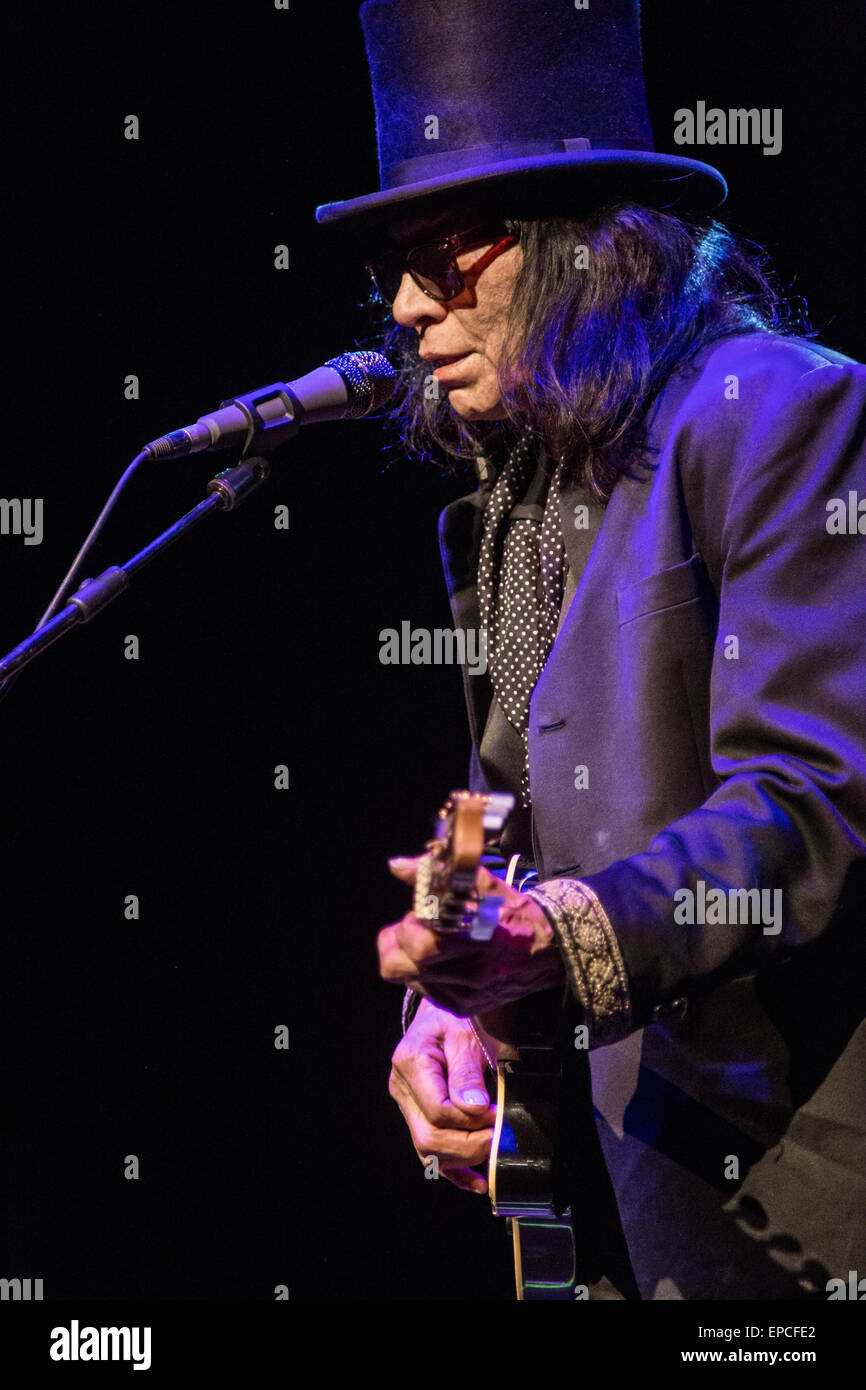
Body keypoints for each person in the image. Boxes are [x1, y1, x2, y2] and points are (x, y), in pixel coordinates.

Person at [316, 0, 866, 1299]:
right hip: (629, 1198)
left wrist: (552, 940)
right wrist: (455, 1000)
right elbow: (513, 817)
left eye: (448, 258)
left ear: (583, 246)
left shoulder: (781, 408)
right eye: (397, 265)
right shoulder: (516, 492)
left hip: (804, 1189)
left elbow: (811, 802)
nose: (403, 307)